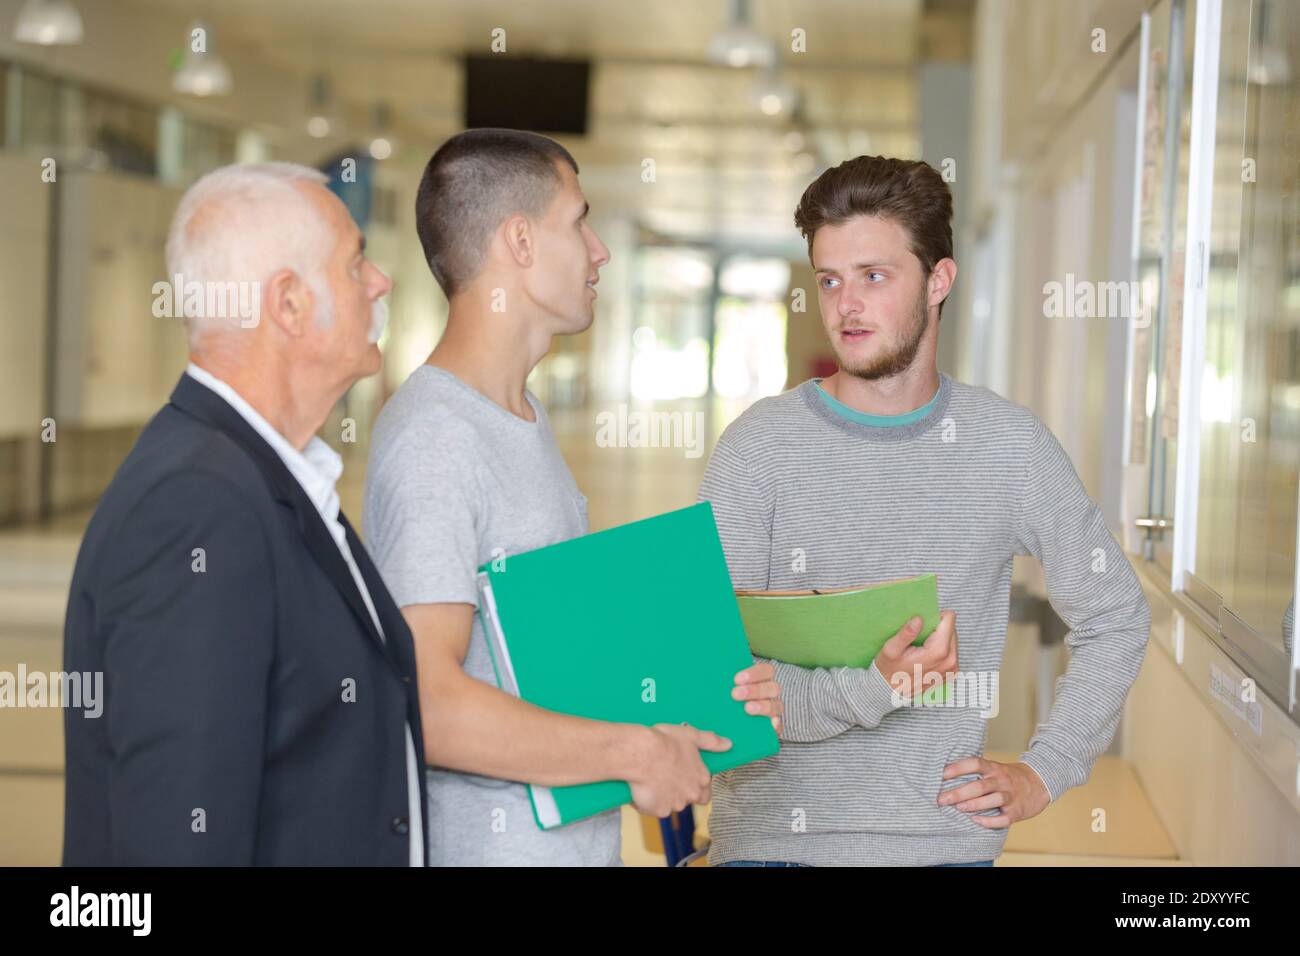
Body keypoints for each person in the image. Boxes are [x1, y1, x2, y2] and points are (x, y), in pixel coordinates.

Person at [699, 155, 1151, 866]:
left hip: (939, 847)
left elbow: (1115, 614)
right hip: (770, 844)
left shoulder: (1009, 447)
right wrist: (874, 689)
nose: (846, 304)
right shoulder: (759, 448)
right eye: (829, 280)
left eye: (873, 276)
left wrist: (1046, 767)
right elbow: (722, 679)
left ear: (938, 280)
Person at [363, 128, 783, 865]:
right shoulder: (436, 435)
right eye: (578, 220)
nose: (599, 250)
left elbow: (539, 664)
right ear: (520, 242)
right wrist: (635, 752)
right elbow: (427, 699)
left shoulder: (520, 419)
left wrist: (696, 706)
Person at [63, 162, 426, 865]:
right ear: (288, 304)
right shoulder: (198, 506)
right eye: (356, 264)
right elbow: (176, 840)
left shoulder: (264, 476)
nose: (380, 281)